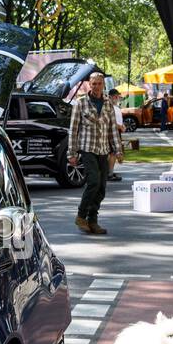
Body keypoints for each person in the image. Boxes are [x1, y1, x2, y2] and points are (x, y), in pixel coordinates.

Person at [68, 71, 123, 235]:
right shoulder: (81, 102)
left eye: (99, 83)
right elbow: (73, 130)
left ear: (103, 85)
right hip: (87, 148)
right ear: (89, 85)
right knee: (93, 182)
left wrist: (118, 150)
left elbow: (113, 129)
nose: (96, 86)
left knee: (101, 187)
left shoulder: (108, 104)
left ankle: (93, 221)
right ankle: (81, 215)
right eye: (94, 84)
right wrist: (71, 153)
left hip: (103, 149)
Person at [108, 87, 126, 182]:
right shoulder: (109, 107)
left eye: (117, 96)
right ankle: (109, 173)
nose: (117, 98)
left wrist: (122, 125)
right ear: (111, 97)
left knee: (114, 153)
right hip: (112, 132)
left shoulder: (116, 107)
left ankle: (110, 171)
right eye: (115, 96)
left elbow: (118, 120)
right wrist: (120, 126)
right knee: (112, 153)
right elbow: (111, 121)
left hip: (117, 131)